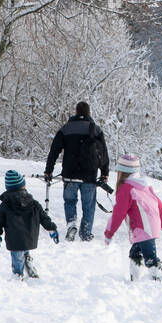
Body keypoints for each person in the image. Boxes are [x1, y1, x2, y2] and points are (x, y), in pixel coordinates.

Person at [43, 101, 110, 241]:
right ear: (89, 113)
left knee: (69, 201)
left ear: (76, 112)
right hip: (89, 176)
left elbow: (54, 151)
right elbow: (103, 153)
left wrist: (48, 170)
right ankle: (85, 233)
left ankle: (72, 224)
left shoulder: (66, 129)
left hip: (70, 175)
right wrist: (104, 173)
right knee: (89, 205)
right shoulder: (95, 129)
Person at [102, 153, 162, 281]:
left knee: (150, 258)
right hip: (149, 227)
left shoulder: (126, 189)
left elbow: (118, 214)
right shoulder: (144, 186)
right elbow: (159, 204)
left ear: (121, 172)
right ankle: (135, 280)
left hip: (143, 229)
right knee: (135, 254)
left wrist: (109, 233)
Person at [0, 169, 58, 278]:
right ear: (24, 186)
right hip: (29, 237)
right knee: (25, 251)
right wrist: (52, 229)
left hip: (14, 239)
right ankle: (29, 264)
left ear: (8, 188)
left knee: (17, 257)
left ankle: (18, 274)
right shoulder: (34, 203)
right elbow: (44, 218)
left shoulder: (6, 205)